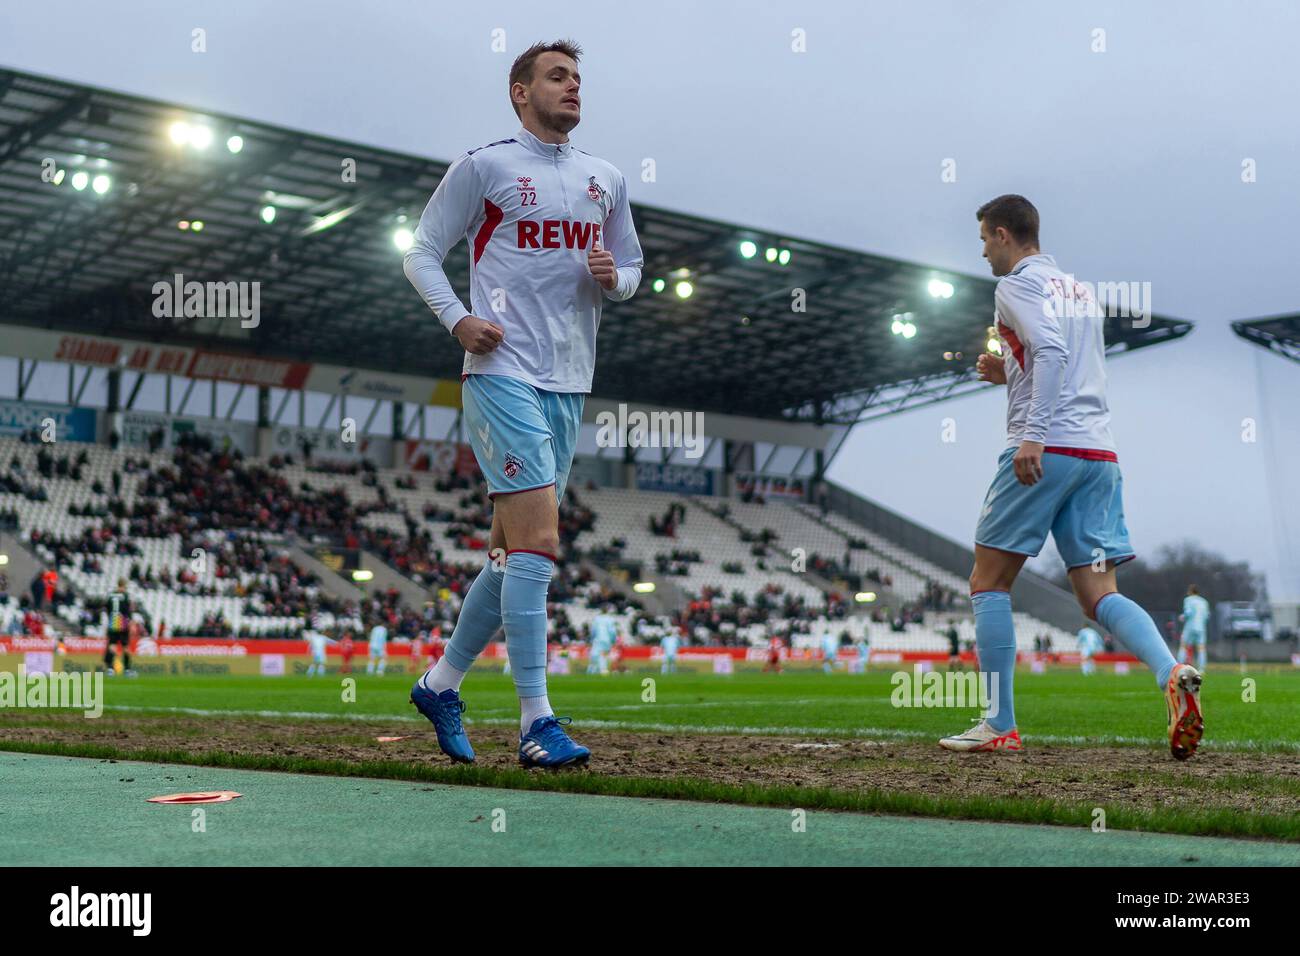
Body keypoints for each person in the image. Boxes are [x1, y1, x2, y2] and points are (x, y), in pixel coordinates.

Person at [404, 39, 642, 768]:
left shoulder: (606, 178)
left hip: (570, 382)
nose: (573, 88)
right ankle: (537, 722)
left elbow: (632, 267)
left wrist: (615, 278)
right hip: (500, 369)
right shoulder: (487, 165)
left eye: (578, 79)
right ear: (519, 91)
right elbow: (420, 251)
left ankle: (440, 684)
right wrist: (458, 319)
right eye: (556, 77)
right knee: (539, 542)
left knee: (510, 556)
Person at [938, 195, 1201, 760]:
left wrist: (1032, 435)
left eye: (985, 238)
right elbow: (1066, 366)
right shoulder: (1079, 290)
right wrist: (1006, 374)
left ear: (1005, 235)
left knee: (989, 581)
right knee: (1098, 594)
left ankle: (999, 724)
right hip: (1098, 456)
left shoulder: (1012, 286)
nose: (983, 250)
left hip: (1045, 450)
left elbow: (1052, 355)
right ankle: (1170, 671)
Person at [103, 579, 133, 676]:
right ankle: (127, 669)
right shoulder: (125, 595)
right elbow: (128, 610)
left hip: (113, 621)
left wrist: (111, 618)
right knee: (125, 646)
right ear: (124, 585)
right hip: (123, 621)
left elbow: (107, 608)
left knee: (112, 645)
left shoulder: (111, 595)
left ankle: (110, 669)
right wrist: (130, 622)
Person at [1180, 585, 1211, 671]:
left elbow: (1188, 612)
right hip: (1201, 628)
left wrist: (1182, 617)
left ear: (1190, 591)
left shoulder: (1188, 600)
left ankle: (1180, 667)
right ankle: (1201, 670)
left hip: (1190, 626)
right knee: (1201, 649)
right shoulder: (1204, 602)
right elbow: (1207, 616)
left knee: (1184, 646)